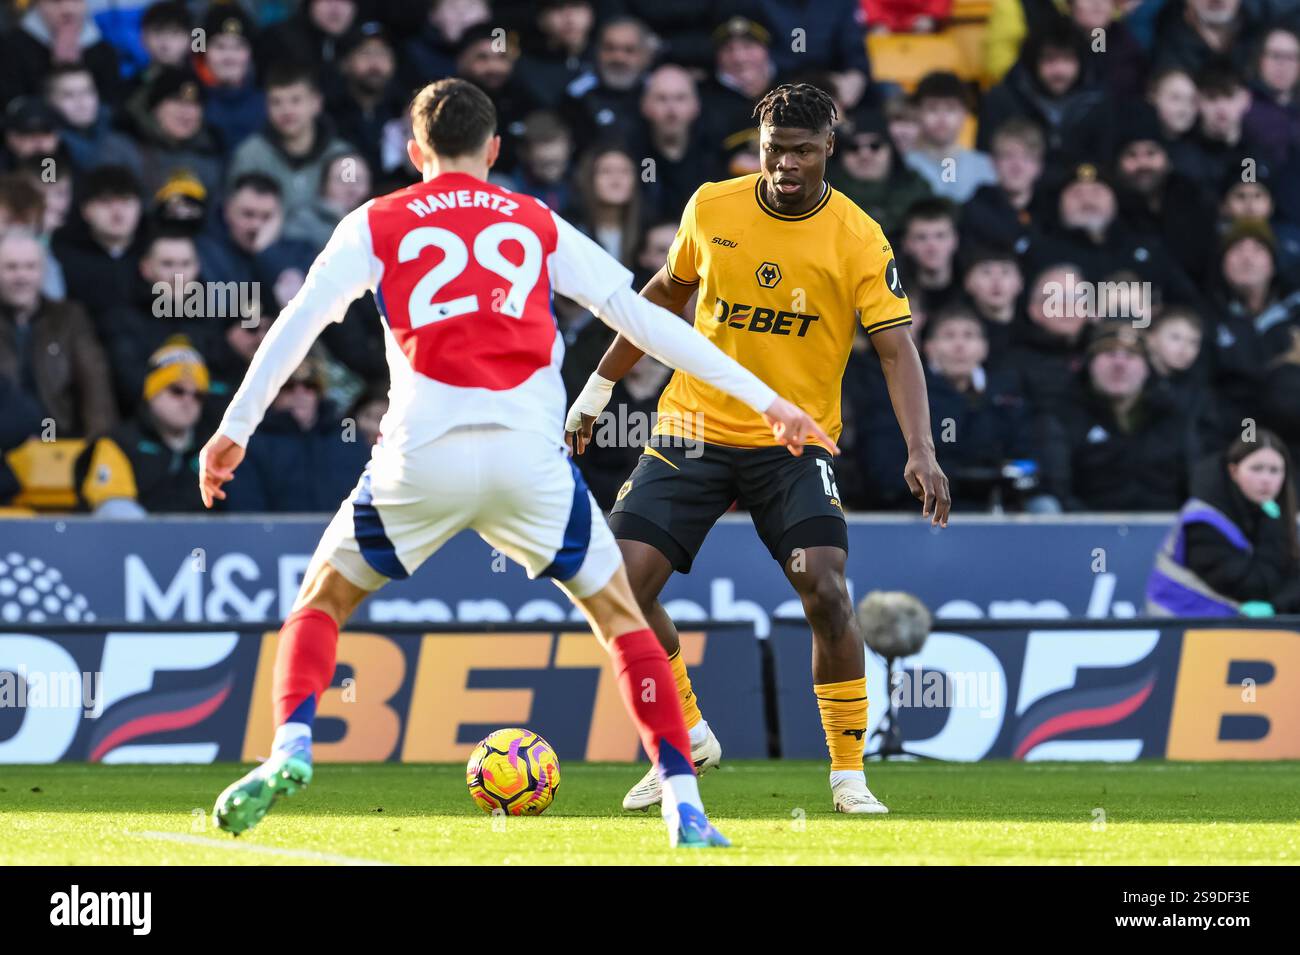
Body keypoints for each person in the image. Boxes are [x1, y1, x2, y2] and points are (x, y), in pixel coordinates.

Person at [199, 77, 830, 848]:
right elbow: (643, 317)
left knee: (321, 602)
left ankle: (292, 744)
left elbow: (299, 322)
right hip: (530, 463)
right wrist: (768, 399)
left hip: (418, 457)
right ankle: (684, 802)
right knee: (622, 623)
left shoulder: (378, 220)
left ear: (414, 150)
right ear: (494, 150)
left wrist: (235, 426)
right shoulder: (533, 220)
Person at [567, 83, 949, 816]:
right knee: (617, 585)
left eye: (803, 150)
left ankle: (848, 774)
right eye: (775, 150)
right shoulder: (712, 206)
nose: (786, 164)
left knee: (828, 593)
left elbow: (897, 351)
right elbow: (659, 298)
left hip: (793, 444)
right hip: (692, 429)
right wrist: (596, 388)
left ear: (829, 149)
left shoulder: (859, 237)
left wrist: (921, 450)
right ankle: (686, 736)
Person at [1146, 431, 1300, 616]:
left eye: (1274, 470)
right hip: (1180, 626)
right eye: (1256, 469)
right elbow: (1254, 586)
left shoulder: (1276, 515)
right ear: (1234, 471)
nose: (1266, 479)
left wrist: (1278, 607)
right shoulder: (1204, 521)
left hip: (1235, 628)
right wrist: (1273, 526)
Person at [73, 336, 212, 515]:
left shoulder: (213, 449)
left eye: (198, 395)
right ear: (152, 392)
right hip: (136, 541)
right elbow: (114, 512)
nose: (188, 401)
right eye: (177, 390)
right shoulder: (119, 444)